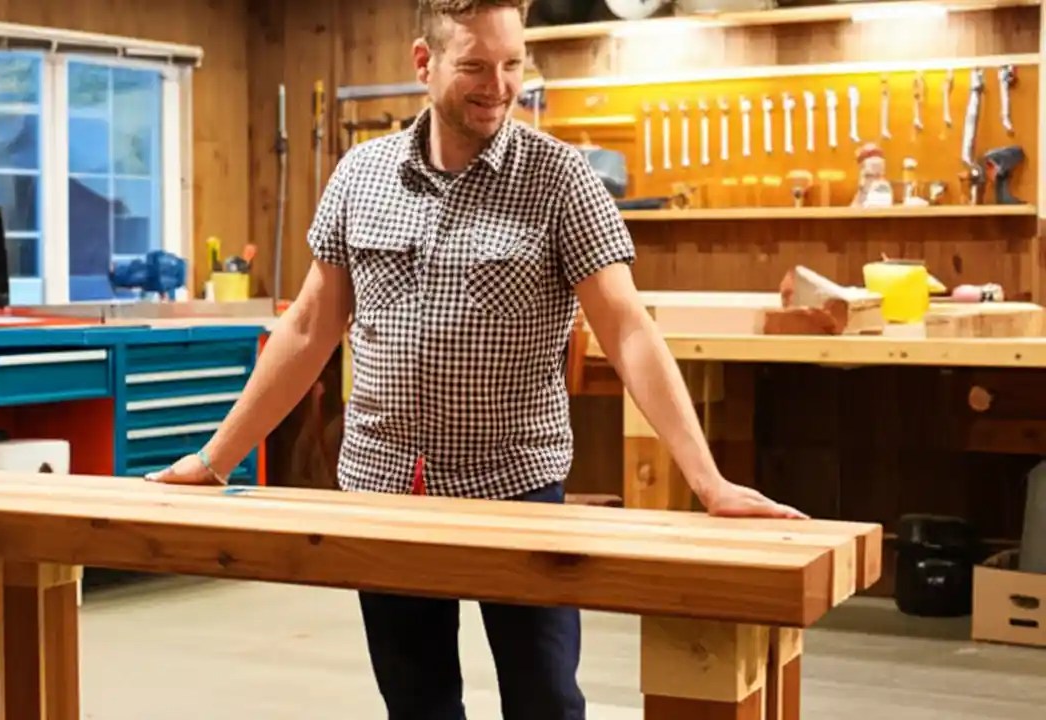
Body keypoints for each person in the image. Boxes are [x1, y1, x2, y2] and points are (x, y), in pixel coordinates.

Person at [146, 0, 807, 717]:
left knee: (545, 700)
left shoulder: (560, 179)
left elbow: (628, 331)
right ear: (422, 63)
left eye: (511, 64)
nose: (498, 85)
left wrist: (707, 483)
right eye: (474, 66)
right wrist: (215, 460)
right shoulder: (360, 175)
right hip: (385, 486)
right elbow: (309, 327)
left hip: (516, 487)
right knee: (416, 699)